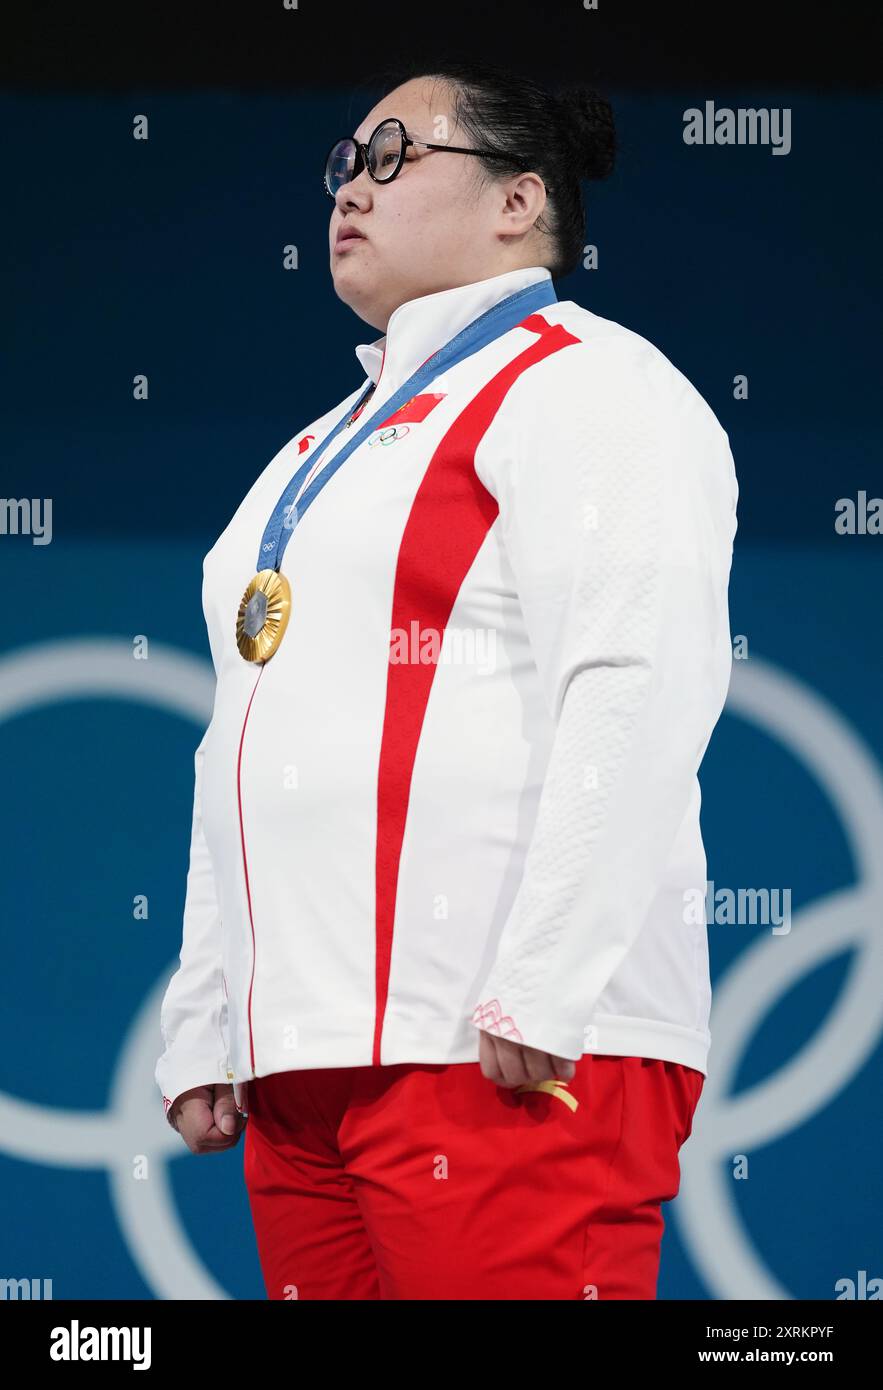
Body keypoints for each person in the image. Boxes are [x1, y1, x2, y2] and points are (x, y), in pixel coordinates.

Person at [155, 59, 738, 1300]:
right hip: (307, 1064)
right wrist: (213, 1014)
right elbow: (237, 749)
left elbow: (635, 680)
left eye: (389, 158)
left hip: (496, 1044)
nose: (346, 193)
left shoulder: (591, 384)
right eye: (339, 167)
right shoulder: (309, 454)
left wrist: (546, 978)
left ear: (518, 200)